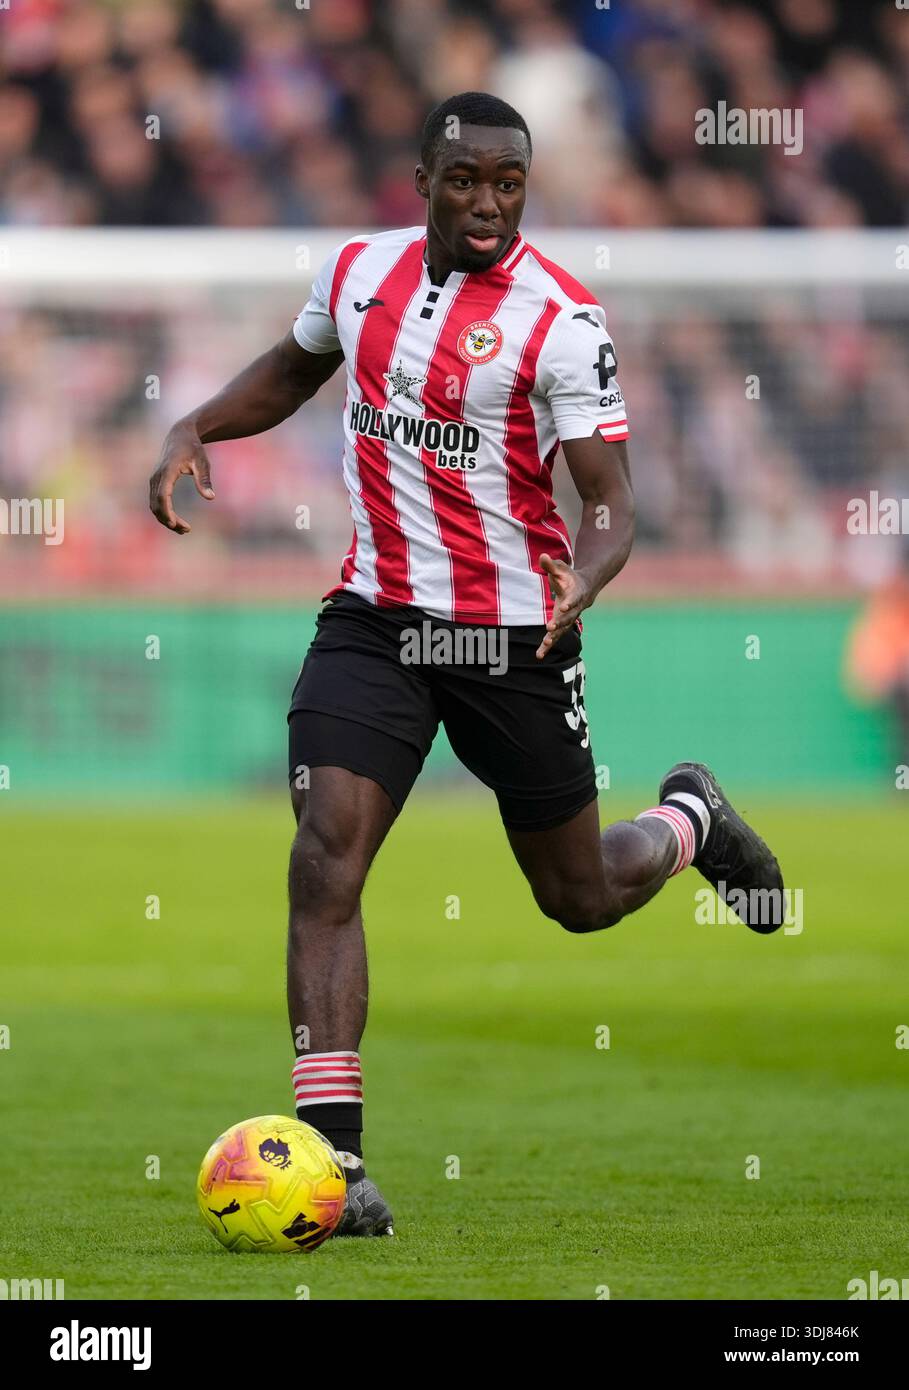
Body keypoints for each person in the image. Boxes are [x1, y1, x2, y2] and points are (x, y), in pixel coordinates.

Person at [149, 92, 784, 1237]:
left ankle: (693, 817)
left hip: (514, 637)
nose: (488, 203)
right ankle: (337, 1168)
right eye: (466, 180)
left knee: (579, 897)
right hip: (375, 620)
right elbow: (297, 369)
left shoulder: (563, 321)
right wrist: (194, 424)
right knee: (323, 858)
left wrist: (588, 576)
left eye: (509, 183)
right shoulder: (356, 271)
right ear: (422, 177)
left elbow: (613, 502)